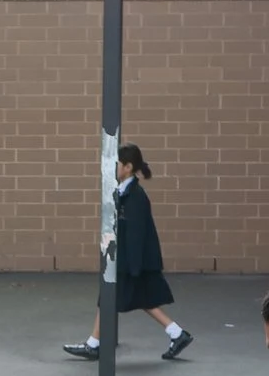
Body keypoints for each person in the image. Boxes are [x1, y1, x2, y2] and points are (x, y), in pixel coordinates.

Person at [63, 144, 191, 363]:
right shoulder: (125, 192)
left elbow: (136, 234)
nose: (112, 169)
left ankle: (94, 344)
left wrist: (132, 266)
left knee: (111, 296)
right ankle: (176, 333)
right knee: (138, 300)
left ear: (128, 167)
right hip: (130, 260)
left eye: (116, 165)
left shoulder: (136, 197)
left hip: (132, 261)